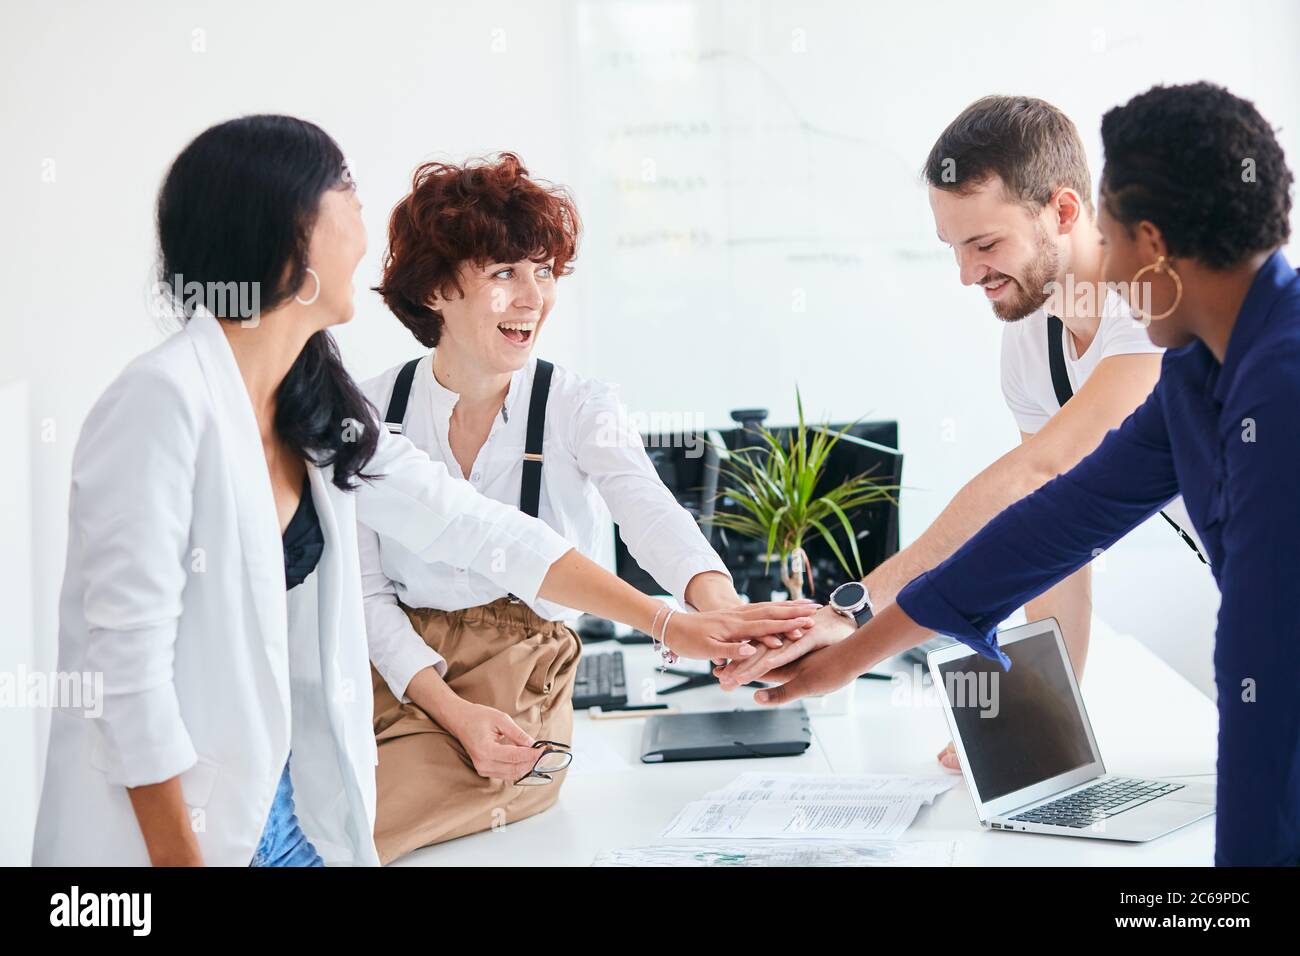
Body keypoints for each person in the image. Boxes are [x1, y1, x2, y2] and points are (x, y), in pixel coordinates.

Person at [30, 116, 817, 867]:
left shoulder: (318, 404)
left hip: (278, 793)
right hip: (180, 825)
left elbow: (478, 529)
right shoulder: (162, 402)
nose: (362, 218)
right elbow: (126, 676)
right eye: (345, 191)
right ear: (282, 233)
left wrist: (673, 620)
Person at [755, 83, 1299, 867]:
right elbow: (1051, 528)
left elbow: (1263, 661)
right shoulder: (1190, 374)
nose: (1106, 271)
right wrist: (849, 653)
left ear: (1148, 243)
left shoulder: (1270, 380)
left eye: (1112, 241)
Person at [717, 96, 1176, 773]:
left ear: (1064, 210)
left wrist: (858, 612)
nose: (966, 274)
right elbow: (1052, 534)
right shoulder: (1031, 341)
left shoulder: (1153, 299)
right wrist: (1045, 714)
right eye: (955, 248)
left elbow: (1041, 472)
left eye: (985, 245)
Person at [360, 153, 755, 861]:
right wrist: (445, 705)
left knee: (356, 823)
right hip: (395, 673)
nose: (533, 297)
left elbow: (650, 512)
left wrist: (719, 610)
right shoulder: (370, 411)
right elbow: (365, 595)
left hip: (521, 683)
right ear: (438, 289)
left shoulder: (576, 405)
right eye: (504, 273)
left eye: (543, 272)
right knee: (296, 801)